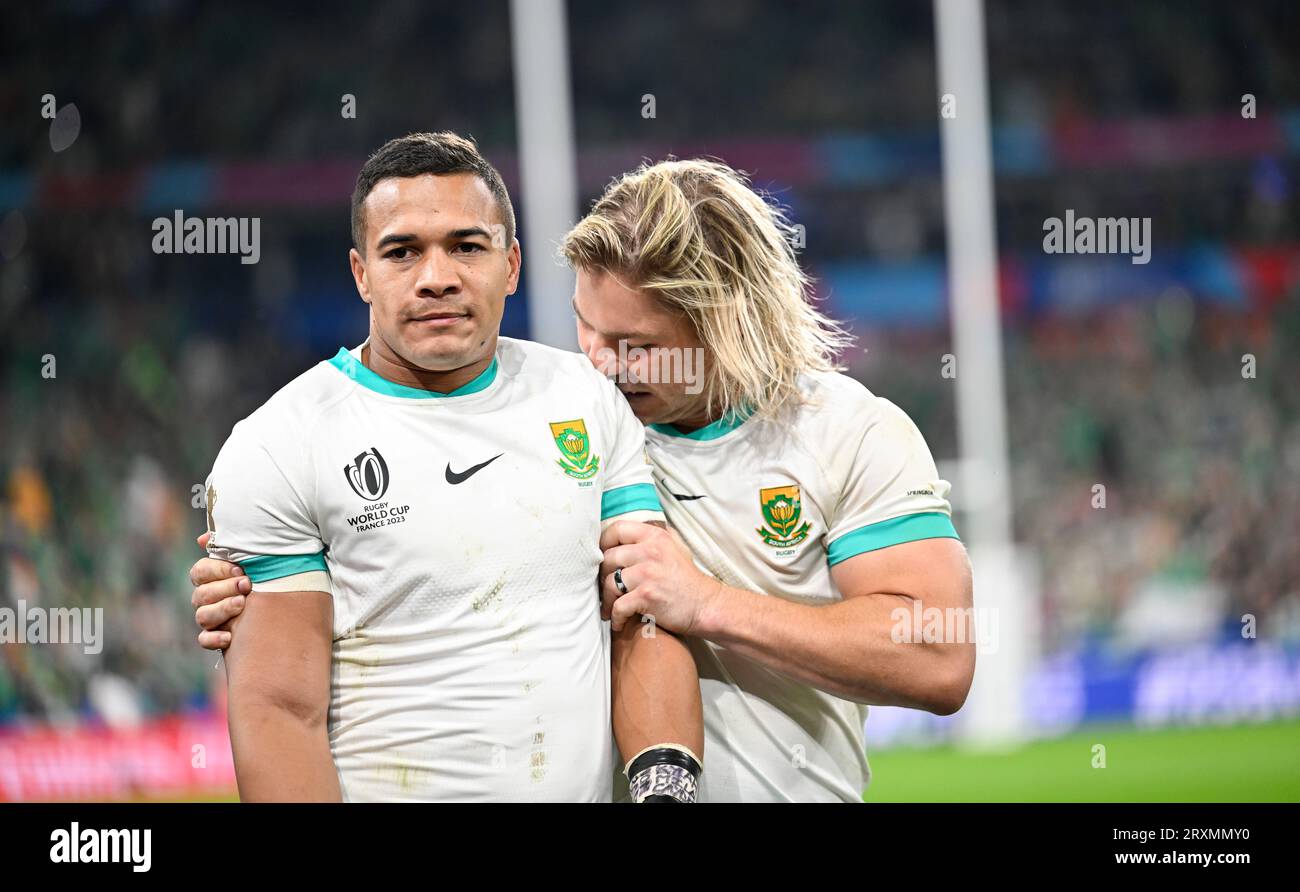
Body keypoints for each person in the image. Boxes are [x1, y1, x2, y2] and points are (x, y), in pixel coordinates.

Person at [196, 155, 974, 802]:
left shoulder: (846, 433)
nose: (599, 361)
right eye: (585, 326)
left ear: (723, 323)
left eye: (632, 343)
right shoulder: (575, 412)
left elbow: (938, 656)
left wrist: (708, 604)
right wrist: (258, 575)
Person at [195, 132, 702, 802]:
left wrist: (665, 787)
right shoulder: (280, 445)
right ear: (361, 273)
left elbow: (645, 616)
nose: (437, 276)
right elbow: (280, 711)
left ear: (511, 263)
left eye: (467, 246)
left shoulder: (587, 399)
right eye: (402, 251)